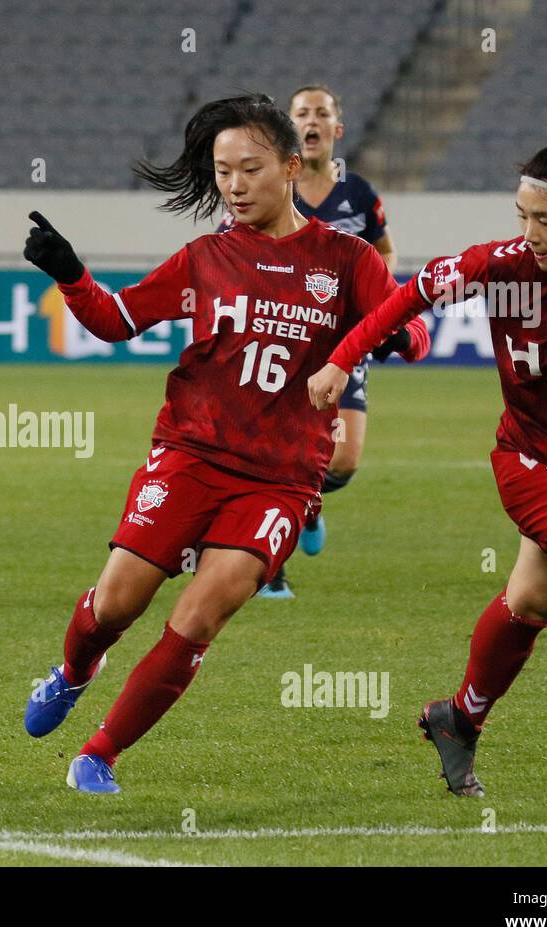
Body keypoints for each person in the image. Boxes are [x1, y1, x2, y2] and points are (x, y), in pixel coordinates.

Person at [20, 93, 425, 794]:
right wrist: (70, 273)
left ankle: (100, 754)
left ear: (292, 168)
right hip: (190, 455)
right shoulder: (206, 256)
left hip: (281, 479)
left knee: (202, 612)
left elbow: (412, 331)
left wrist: (392, 334)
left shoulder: (346, 258)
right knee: (116, 604)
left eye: (249, 170)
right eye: (222, 172)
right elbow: (118, 321)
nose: (233, 186)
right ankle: (75, 670)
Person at [308, 107, 547, 795]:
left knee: (531, 605)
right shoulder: (501, 265)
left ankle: (458, 718)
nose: (530, 234)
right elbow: (408, 298)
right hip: (531, 465)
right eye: (523, 216)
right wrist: (340, 363)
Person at [221, 84, 413, 598]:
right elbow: (229, 259)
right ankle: (269, 564)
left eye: (321, 113)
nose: (311, 120)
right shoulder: (266, 188)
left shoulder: (360, 194)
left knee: (344, 459)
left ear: (336, 129)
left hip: (345, 339)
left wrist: (380, 304)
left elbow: (387, 253)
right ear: (290, 128)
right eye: (301, 112)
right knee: (273, 451)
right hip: (282, 337)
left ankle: (307, 506)